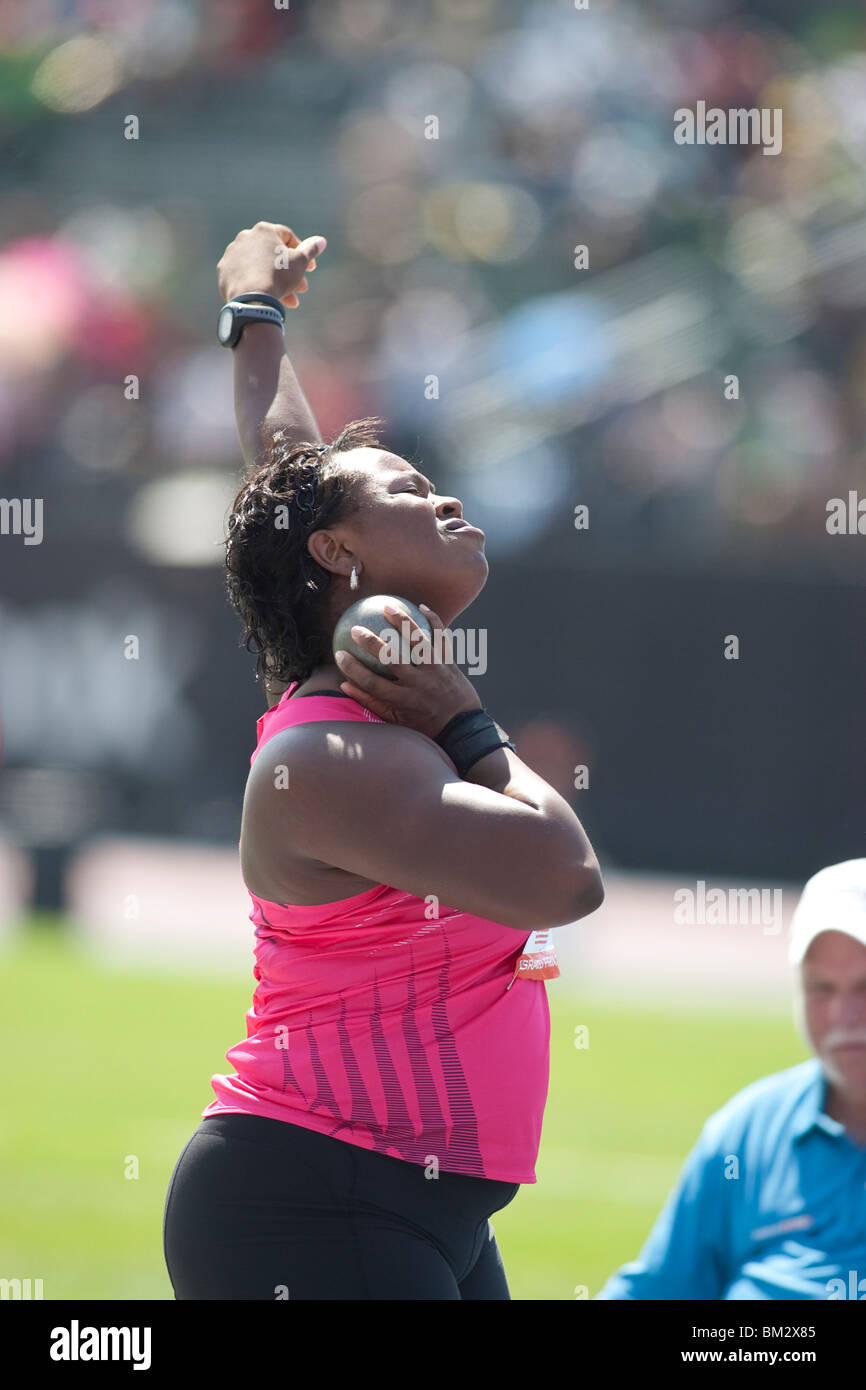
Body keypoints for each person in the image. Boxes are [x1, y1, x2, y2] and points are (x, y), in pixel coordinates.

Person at [162, 221, 605, 1300]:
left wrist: (255, 315)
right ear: (338, 555)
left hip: (418, 1205)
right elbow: (565, 875)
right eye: (408, 489)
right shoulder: (333, 758)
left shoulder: (344, 690)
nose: (445, 497)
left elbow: (286, 470)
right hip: (312, 1201)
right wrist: (467, 720)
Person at [597, 858, 866, 1301]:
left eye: (865, 986)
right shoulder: (749, 1128)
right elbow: (657, 1290)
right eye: (822, 988)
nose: (844, 1015)